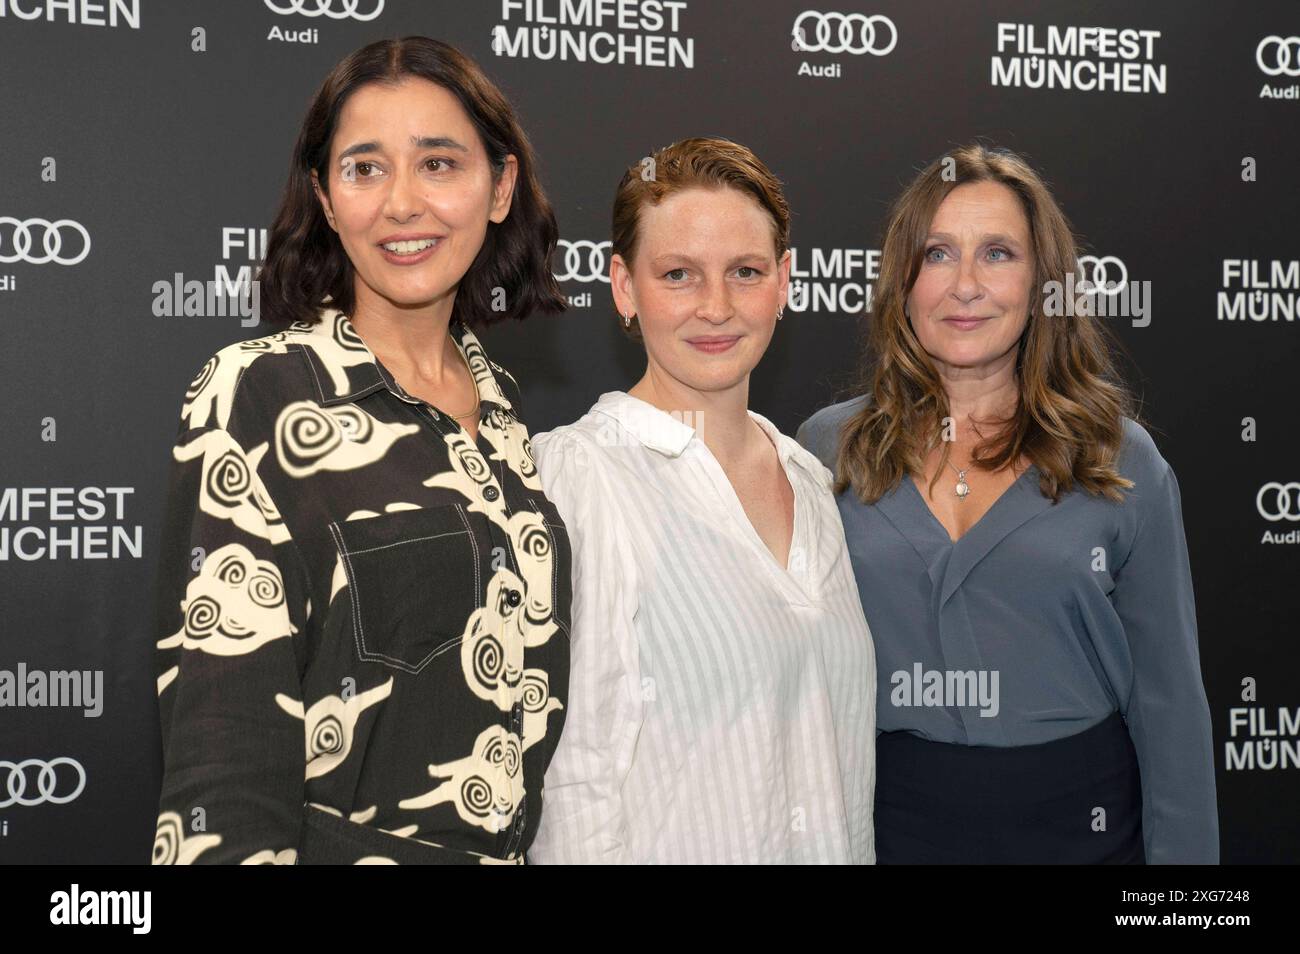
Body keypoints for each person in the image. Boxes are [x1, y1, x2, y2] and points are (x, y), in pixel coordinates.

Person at [151, 37, 571, 865]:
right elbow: (221, 760)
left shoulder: (503, 411)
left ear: (501, 187)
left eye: (440, 164)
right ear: (326, 196)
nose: (402, 204)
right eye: (365, 168)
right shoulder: (258, 394)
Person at [797, 143, 1218, 864]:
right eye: (937, 254)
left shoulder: (1121, 459)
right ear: (902, 280)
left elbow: (1170, 706)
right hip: (890, 827)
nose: (965, 285)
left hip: (1083, 831)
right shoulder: (827, 449)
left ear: (1043, 282)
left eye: (997, 254)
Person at [527, 137, 877, 864]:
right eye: (679, 274)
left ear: (784, 282)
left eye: (745, 272)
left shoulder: (808, 479)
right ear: (624, 287)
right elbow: (572, 784)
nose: (716, 307)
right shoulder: (581, 479)